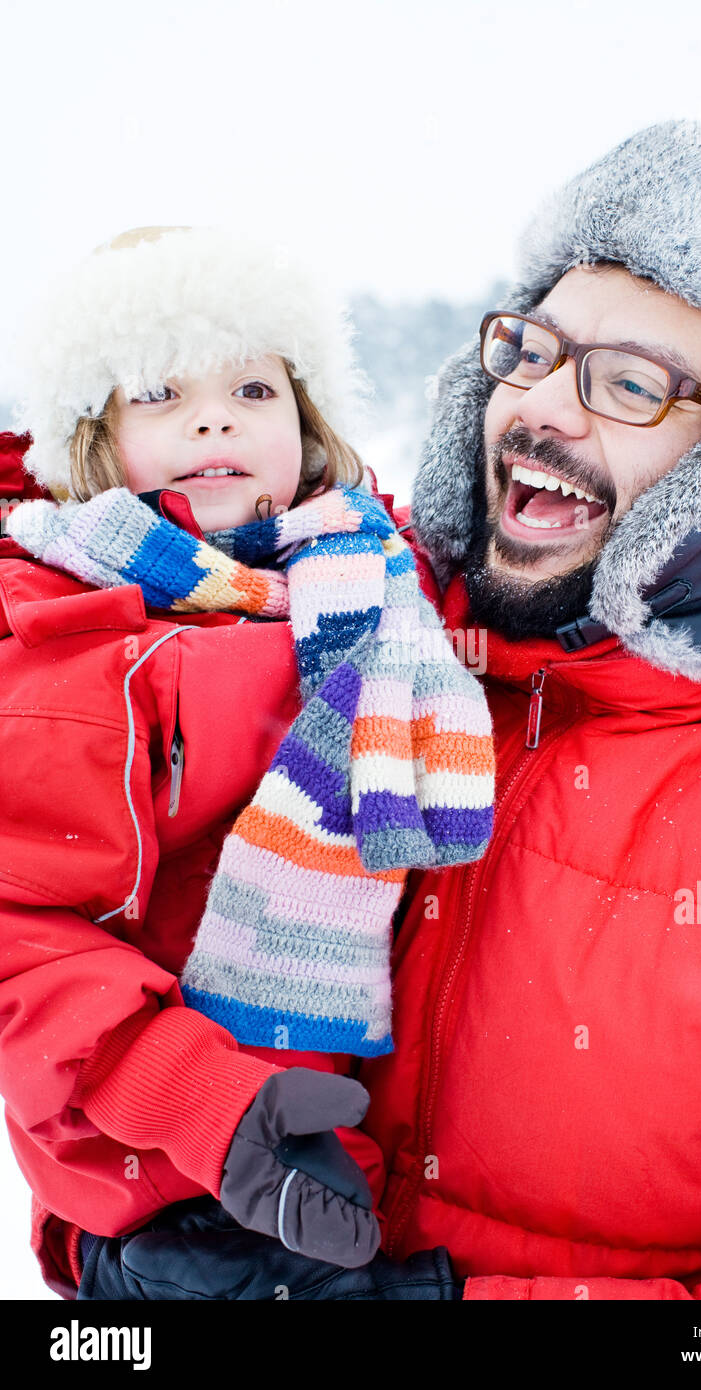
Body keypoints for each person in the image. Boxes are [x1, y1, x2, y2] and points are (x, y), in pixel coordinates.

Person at [350, 119, 701, 1299]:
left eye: (628, 383)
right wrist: (119, 1243)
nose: (540, 408)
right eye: (530, 350)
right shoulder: (349, 656)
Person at [0, 224, 491, 1298]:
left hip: (364, 1148)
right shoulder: (61, 629)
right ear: (93, 436)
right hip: (161, 1187)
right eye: (160, 390)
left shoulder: (378, 586)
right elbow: (18, 941)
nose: (213, 415)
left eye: (254, 390)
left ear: (309, 426)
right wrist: (199, 1104)